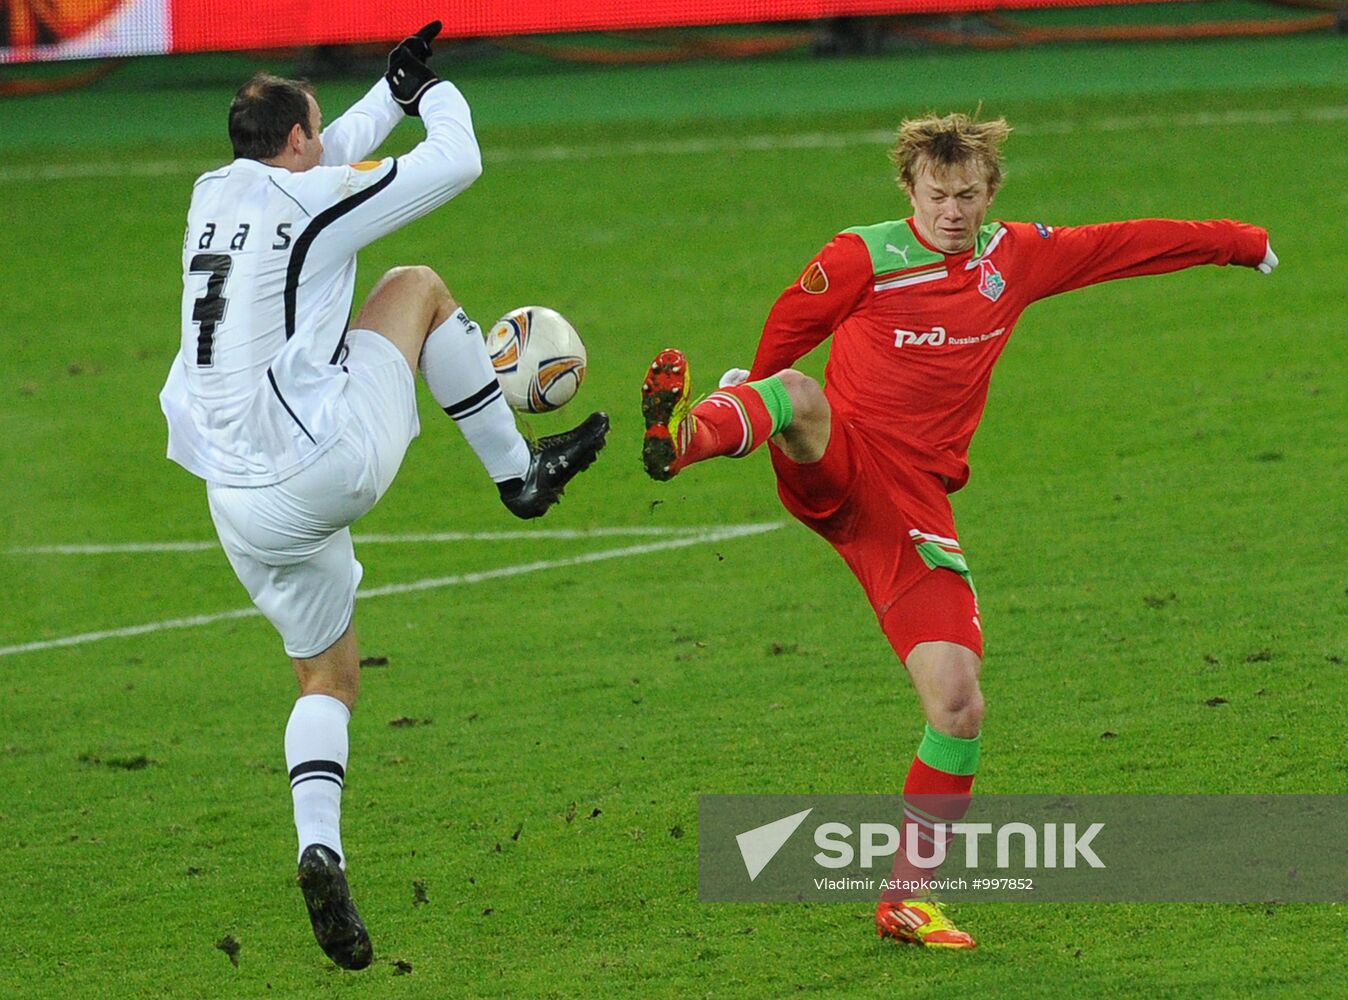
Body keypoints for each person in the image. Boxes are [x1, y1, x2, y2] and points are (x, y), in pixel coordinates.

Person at [640, 112, 1276, 949]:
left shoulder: (1014, 259)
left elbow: (1121, 245)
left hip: (910, 512)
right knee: (796, 391)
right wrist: (747, 385)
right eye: (937, 195)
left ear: (990, 194)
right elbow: (791, 325)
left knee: (959, 702)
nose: (952, 212)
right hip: (841, 462)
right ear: (909, 189)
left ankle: (906, 900)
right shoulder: (860, 256)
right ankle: (683, 437)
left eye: (968, 196)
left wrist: (1237, 242)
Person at [159, 23, 609, 970]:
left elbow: (326, 159)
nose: (326, 140)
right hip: (320, 462)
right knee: (418, 285)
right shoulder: (311, 199)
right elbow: (457, 161)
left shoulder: (215, 191)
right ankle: (519, 475)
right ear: (296, 141)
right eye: (317, 129)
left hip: (233, 497)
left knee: (327, 677)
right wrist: (435, 96)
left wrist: (388, 94)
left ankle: (319, 848)